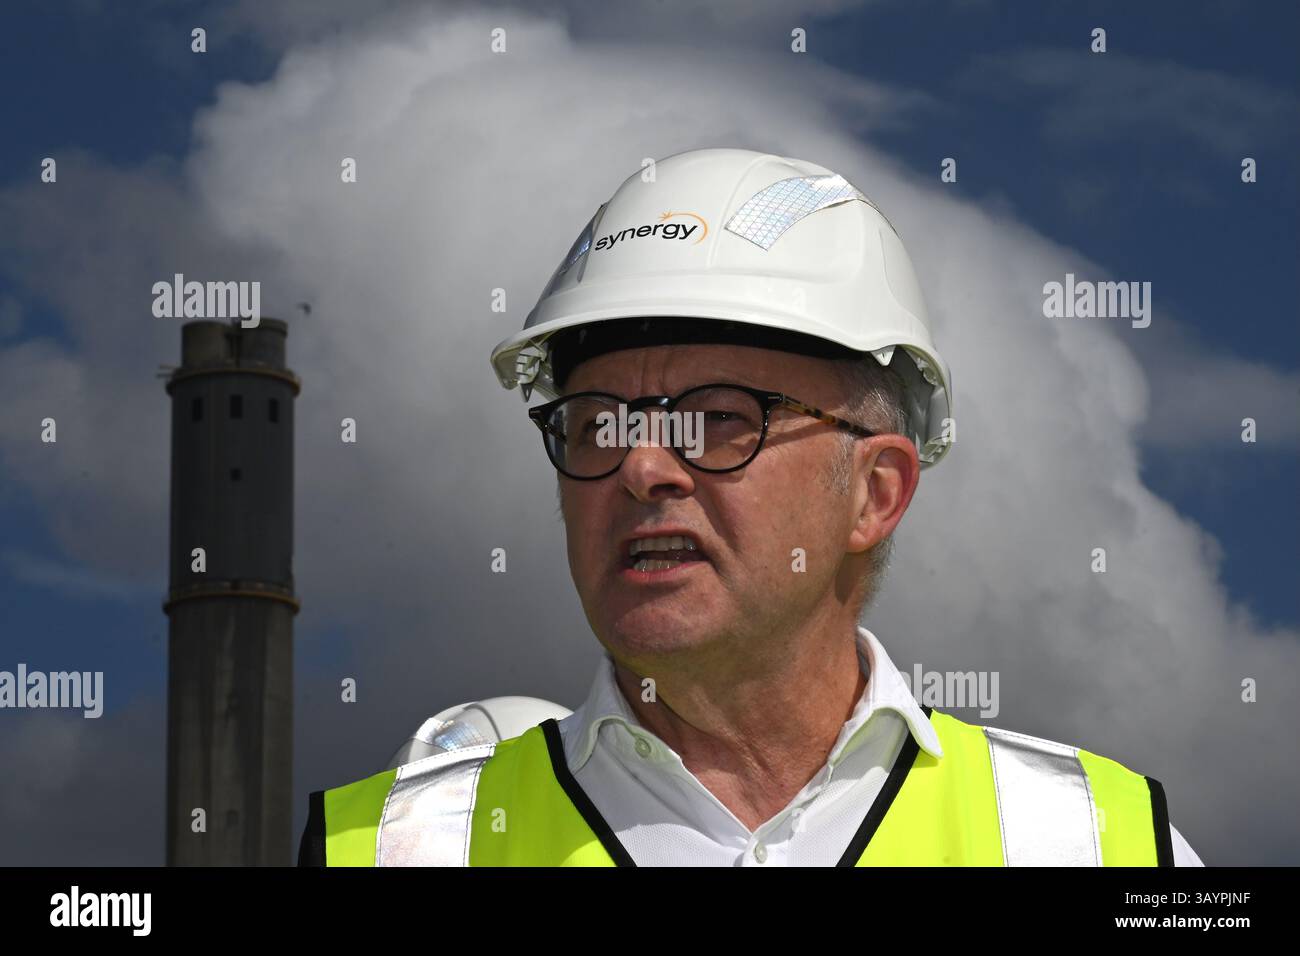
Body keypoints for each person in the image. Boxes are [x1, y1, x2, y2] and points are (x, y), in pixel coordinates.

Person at [299, 147, 1201, 866]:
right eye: (596, 425)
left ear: (875, 493)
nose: (642, 466)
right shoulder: (393, 849)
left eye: (719, 420)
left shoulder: (1092, 848)